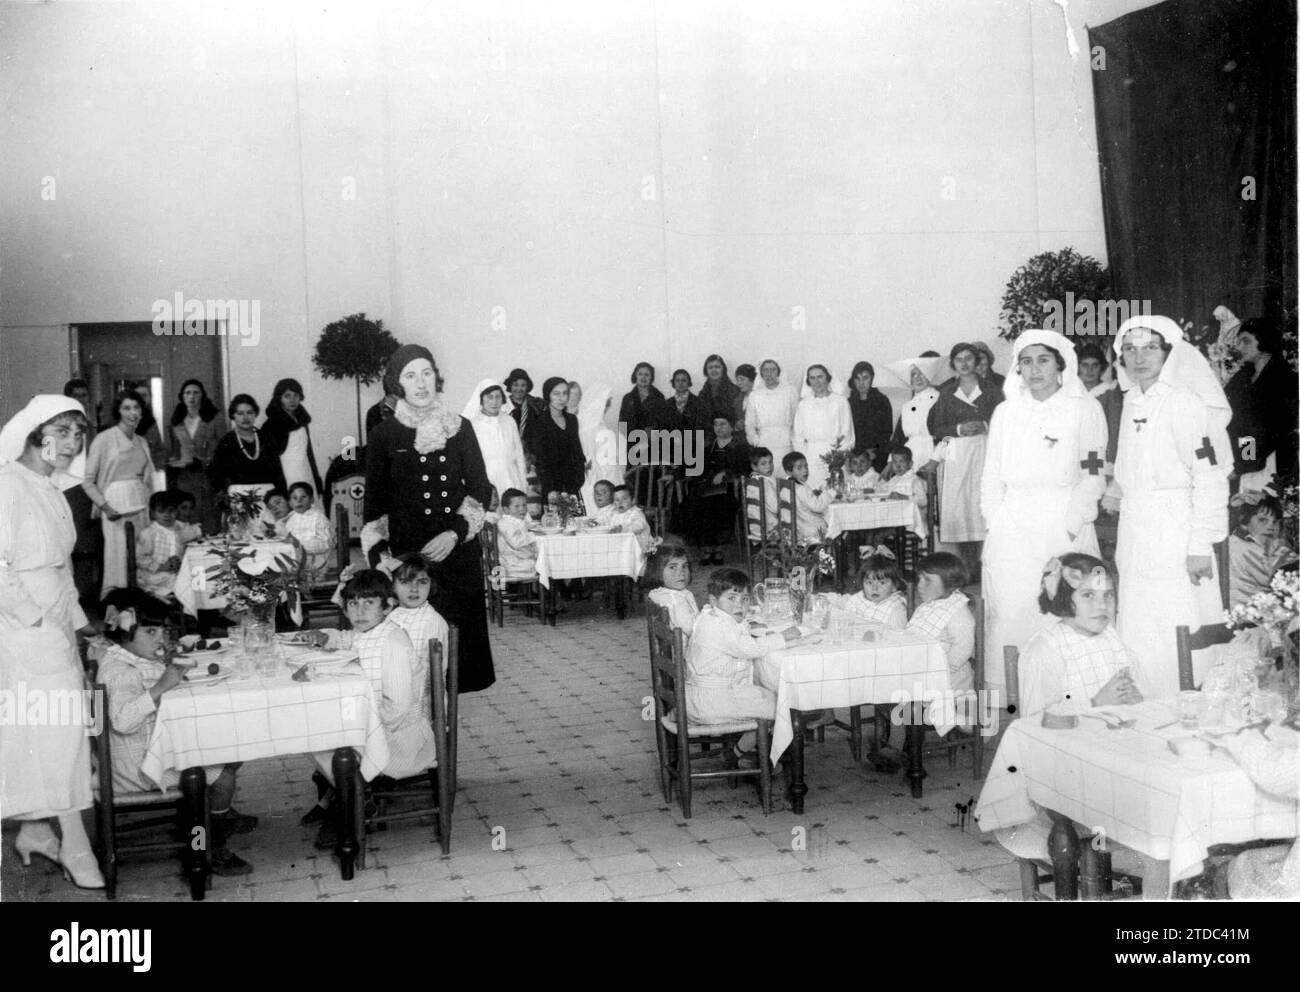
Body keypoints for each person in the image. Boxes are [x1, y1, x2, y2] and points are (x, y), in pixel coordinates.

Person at [0, 395, 104, 889]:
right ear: (34, 432)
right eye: (61, 431)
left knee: (49, 734)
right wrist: (34, 622)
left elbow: (62, 571)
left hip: (55, 623)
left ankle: (37, 830)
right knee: (59, 732)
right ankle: (75, 845)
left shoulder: (51, 489)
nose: (71, 443)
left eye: (77, 433)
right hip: (21, 629)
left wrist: (79, 624)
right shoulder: (6, 485)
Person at [1108, 314, 1231, 698]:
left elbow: (1209, 476)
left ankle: (1180, 697)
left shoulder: (1182, 403)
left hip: (1176, 529)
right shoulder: (1132, 401)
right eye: (1130, 348)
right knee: (1140, 614)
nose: (1139, 357)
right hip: (1137, 528)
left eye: (1150, 348)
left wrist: (1200, 545)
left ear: (1168, 353)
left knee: (1176, 613)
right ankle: (1144, 696)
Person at [980, 329, 1108, 696]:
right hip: (1013, 525)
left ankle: (1070, 697)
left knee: (1062, 611)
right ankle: (1008, 701)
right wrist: (995, 521)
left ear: (1059, 365)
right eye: (1026, 361)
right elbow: (991, 474)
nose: (1034, 369)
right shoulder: (1005, 412)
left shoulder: (1085, 409)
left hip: (1062, 521)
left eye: (1043, 360)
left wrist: (1071, 526)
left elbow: (1094, 471)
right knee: (1010, 612)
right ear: (1017, 368)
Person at [93, 589, 254, 875]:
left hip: (147, 750)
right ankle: (209, 844)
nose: (159, 638)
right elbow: (121, 721)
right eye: (150, 631)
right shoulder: (118, 672)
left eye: (161, 631)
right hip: (140, 769)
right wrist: (159, 688)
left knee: (232, 749)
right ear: (121, 631)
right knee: (224, 777)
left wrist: (165, 671)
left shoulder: (123, 658)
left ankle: (213, 815)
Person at [364, 344, 494, 693]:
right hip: (410, 563)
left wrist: (455, 534)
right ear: (397, 383)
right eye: (410, 375)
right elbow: (374, 509)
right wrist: (382, 561)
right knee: (412, 672)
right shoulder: (382, 435)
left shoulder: (460, 428)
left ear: (437, 377)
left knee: (457, 670)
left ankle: (446, 740)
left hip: (456, 554)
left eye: (426, 373)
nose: (421, 383)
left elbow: (481, 490)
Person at [306, 570, 440, 847]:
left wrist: (361, 731)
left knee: (321, 737)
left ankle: (351, 803)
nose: (359, 611)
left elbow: (399, 708)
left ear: (388, 606)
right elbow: (349, 639)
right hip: (380, 725)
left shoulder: (392, 642)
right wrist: (326, 637)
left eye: (368, 603)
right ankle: (345, 795)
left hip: (401, 737)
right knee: (318, 729)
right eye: (353, 604)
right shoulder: (369, 631)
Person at [686, 567, 802, 763]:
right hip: (713, 702)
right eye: (732, 598)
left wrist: (749, 626)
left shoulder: (709, 616)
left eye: (745, 599)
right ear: (714, 601)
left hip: (700, 697)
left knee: (770, 697)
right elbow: (750, 649)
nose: (739, 605)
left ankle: (748, 750)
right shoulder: (720, 626)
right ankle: (743, 753)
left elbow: (734, 630)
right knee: (782, 706)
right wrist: (783, 636)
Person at [1017, 554, 1143, 717]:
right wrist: (1094, 704)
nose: (1102, 605)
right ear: (1064, 600)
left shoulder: (1111, 638)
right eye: (1088, 595)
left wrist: (1137, 699)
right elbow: (1034, 722)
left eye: (1108, 595)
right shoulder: (1046, 650)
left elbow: (1142, 690)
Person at [928, 343, 1004, 574]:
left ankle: (987, 565)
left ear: (977, 361)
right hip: (958, 458)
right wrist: (959, 429)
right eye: (959, 359)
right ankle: (965, 568)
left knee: (981, 506)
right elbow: (937, 428)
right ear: (953, 365)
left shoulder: (992, 391)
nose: (964, 363)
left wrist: (983, 425)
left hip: (984, 454)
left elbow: (1006, 424)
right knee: (960, 510)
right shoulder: (947, 393)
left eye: (968, 358)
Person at [82, 390, 156, 597]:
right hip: (115, 507)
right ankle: (119, 612)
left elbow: (148, 479)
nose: (132, 413)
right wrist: (105, 507)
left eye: (136, 408)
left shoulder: (142, 441)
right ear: (118, 412)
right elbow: (87, 481)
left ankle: (143, 612)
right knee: (119, 559)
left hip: (141, 504)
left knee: (142, 554)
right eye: (127, 408)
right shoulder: (104, 439)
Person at [1224, 316, 1299, 491]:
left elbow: (1258, 429)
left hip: (1267, 466)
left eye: (1246, 341)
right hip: (1240, 458)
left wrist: (1243, 464)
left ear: (1265, 341)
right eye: (1239, 341)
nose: (1239, 347)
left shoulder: (1285, 379)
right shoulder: (1242, 376)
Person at [166, 378, 227, 534]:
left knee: (210, 518)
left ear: (202, 396)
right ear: (182, 396)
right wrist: (173, 462)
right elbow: (173, 452)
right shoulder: (176, 421)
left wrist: (207, 463)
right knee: (187, 519)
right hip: (185, 478)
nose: (191, 397)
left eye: (195, 393)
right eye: (187, 393)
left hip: (209, 478)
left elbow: (223, 449)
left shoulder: (215, 418)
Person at [60, 379, 100, 608]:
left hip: (89, 490)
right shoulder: (59, 426)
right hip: (69, 490)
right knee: (73, 547)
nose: (81, 399)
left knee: (90, 546)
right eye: (77, 395)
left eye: (85, 395)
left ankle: (86, 598)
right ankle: (74, 601)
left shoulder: (91, 426)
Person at [691, 415, 750, 565]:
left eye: (723, 424)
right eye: (716, 424)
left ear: (731, 427)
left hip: (731, 489)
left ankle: (718, 549)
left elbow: (745, 469)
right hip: (709, 488)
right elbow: (698, 468)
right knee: (696, 503)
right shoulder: (709, 447)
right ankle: (707, 548)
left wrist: (726, 473)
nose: (719, 427)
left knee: (719, 504)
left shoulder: (740, 446)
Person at [210, 394, 285, 504]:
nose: (245, 418)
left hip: (268, 498)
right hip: (238, 498)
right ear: (233, 416)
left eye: (249, 413)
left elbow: (278, 473)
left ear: (255, 414)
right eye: (240, 413)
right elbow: (218, 475)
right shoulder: (226, 442)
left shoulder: (267, 439)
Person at [462, 380, 528, 503]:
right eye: (490, 397)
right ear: (481, 400)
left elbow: (519, 454)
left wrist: (523, 482)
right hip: (487, 479)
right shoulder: (472, 424)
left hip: (511, 478)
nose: (494, 401)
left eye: (498, 397)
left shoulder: (509, 421)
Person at [1226, 492, 1297, 607]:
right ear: (1245, 521)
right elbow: (1276, 578)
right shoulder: (1242, 547)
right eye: (1263, 520)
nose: (1271, 527)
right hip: (1251, 613)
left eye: (1275, 522)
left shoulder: (1257, 541)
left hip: (1259, 607)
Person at [792, 364, 854, 490]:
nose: (816, 381)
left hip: (835, 456)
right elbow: (797, 435)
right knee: (813, 493)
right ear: (808, 381)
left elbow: (847, 433)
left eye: (820, 377)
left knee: (835, 491)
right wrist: (804, 457)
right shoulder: (803, 404)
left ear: (828, 378)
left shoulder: (840, 401)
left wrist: (838, 459)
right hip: (811, 456)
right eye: (812, 378)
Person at [524, 377, 586, 499]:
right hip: (551, 487)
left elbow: (577, 453)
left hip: (572, 485)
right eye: (556, 394)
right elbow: (540, 460)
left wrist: (578, 479)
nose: (561, 398)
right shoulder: (539, 422)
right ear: (548, 396)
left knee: (575, 517)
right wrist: (551, 488)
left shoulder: (572, 420)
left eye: (565, 393)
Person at [261, 378, 323, 497]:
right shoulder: (271, 425)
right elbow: (270, 461)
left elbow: (309, 453)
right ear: (279, 398)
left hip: (305, 472)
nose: (292, 400)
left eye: (296, 395)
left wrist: (316, 480)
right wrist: (279, 488)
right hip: (287, 475)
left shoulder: (302, 421)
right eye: (287, 396)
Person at [887, 353, 947, 469]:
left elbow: (944, 435)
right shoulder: (907, 406)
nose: (918, 378)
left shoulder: (939, 399)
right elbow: (899, 437)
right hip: (910, 455)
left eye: (922, 374)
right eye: (914, 374)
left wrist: (935, 460)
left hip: (932, 453)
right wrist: (890, 462)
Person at [744, 359, 799, 478]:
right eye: (765, 370)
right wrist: (755, 440)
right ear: (761, 373)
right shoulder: (755, 395)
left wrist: (794, 438)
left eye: (772, 370)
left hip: (785, 441)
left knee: (785, 476)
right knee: (767, 478)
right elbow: (749, 422)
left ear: (778, 372)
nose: (769, 373)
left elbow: (797, 418)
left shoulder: (790, 391)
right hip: (764, 442)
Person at [835, 547, 908, 629]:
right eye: (869, 582)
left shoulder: (896, 610)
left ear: (894, 586)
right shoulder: (858, 599)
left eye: (882, 583)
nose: (874, 588)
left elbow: (898, 637)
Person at [134, 491, 186, 603]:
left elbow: (187, 547)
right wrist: (162, 566)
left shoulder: (181, 528)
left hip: (177, 572)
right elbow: (140, 558)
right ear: (152, 513)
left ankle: (200, 611)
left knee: (198, 579)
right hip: (156, 575)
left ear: (177, 511)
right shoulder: (149, 533)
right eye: (161, 511)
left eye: (171, 511)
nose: (167, 515)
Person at [285, 481, 336, 585]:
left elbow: (328, 543)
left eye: (303, 497)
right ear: (289, 502)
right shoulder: (291, 517)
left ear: (312, 500)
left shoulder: (318, 518)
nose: (299, 501)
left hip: (315, 563)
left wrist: (300, 545)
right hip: (297, 559)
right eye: (294, 498)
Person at [847, 361, 894, 472]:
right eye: (857, 378)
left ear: (872, 378)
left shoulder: (882, 401)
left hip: (877, 455)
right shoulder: (849, 403)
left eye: (865, 378)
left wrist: (874, 451)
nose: (861, 383)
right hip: (855, 457)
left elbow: (887, 432)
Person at [578, 385, 618, 513]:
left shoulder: (584, 424)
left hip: (593, 474)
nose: (607, 408)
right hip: (596, 475)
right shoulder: (598, 428)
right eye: (606, 405)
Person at [645, 542, 699, 635]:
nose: (681, 572)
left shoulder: (656, 593)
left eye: (684, 566)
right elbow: (691, 629)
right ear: (657, 570)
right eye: (673, 567)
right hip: (689, 647)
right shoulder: (675, 599)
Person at [781, 451, 833, 543]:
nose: (805, 470)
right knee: (833, 524)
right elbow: (818, 506)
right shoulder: (800, 488)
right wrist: (828, 493)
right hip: (809, 529)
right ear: (789, 471)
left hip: (796, 527)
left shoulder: (786, 485)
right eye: (799, 468)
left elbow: (803, 501)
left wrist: (813, 494)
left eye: (806, 466)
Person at [496, 488, 540, 581]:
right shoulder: (505, 523)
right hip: (512, 565)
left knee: (541, 560)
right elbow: (516, 542)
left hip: (516, 560)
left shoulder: (513, 521)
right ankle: (546, 593)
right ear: (506, 509)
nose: (522, 509)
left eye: (524, 505)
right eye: (517, 506)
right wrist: (534, 536)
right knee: (544, 565)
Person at [617, 362, 667, 442]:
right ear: (635, 376)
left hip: (654, 446)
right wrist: (635, 437)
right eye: (640, 374)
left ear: (651, 378)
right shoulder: (627, 398)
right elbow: (622, 424)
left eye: (647, 375)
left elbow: (665, 423)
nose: (643, 377)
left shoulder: (659, 397)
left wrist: (654, 433)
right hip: (633, 444)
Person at [663, 368, 710, 443]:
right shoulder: (666, 404)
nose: (680, 383)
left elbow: (702, 428)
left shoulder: (699, 402)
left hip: (693, 447)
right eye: (677, 380)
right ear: (673, 383)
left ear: (689, 382)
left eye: (684, 380)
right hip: (672, 449)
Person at [698, 354, 741, 437]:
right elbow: (700, 421)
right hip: (708, 440)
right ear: (706, 371)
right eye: (710, 368)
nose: (714, 370)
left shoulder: (734, 391)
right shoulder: (702, 394)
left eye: (717, 367)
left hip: (730, 439)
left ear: (723, 369)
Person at [505, 368, 545, 452]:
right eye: (515, 385)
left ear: (527, 387)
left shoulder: (535, 406)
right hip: (508, 451)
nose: (519, 389)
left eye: (523, 385)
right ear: (510, 386)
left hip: (531, 453)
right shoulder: (503, 406)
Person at [745, 447, 780, 542]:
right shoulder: (765, 482)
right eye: (763, 464)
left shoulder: (752, 480)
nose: (769, 466)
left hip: (756, 529)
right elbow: (776, 508)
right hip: (770, 529)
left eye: (770, 462)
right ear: (754, 467)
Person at [609, 484, 653, 552]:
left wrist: (622, 528)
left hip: (639, 547)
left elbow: (639, 526)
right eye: (617, 500)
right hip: (623, 545)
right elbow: (606, 523)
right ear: (613, 503)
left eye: (624, 499)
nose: (620, 502)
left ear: (633, 500)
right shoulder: (614, 513)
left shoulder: (636, 512)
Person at [733, 363, 757, 437]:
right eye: (737, 380)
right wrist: (737, 426)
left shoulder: (761, 399)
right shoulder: (737, 399)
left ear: (752, 380)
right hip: (740, 439)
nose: (739, 383)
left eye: (742, 379)